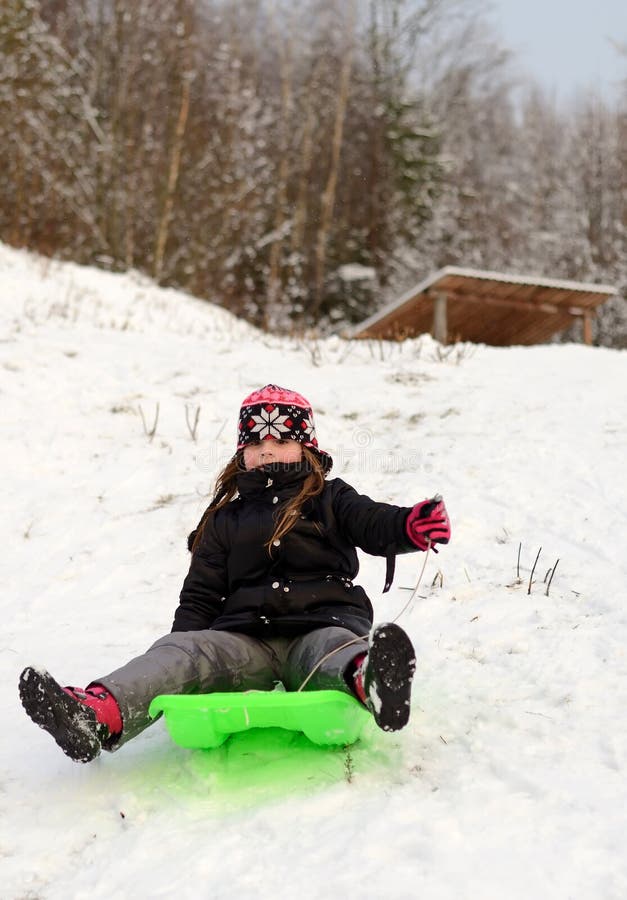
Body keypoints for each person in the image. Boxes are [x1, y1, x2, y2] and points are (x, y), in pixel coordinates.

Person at [19, 384, 450, 763]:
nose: (267, 448)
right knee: (181, 655)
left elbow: (372, 521)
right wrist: (182, 646)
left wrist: (410, 525)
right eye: (255, 440)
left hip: (322, 626)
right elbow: (200, 596)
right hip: (245, 641)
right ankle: (97, 715)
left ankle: (372, 680)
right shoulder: (224, 520)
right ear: (241, 452)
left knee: (336, 651)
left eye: (282, 439)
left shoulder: (331, 499)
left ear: (307, 449)